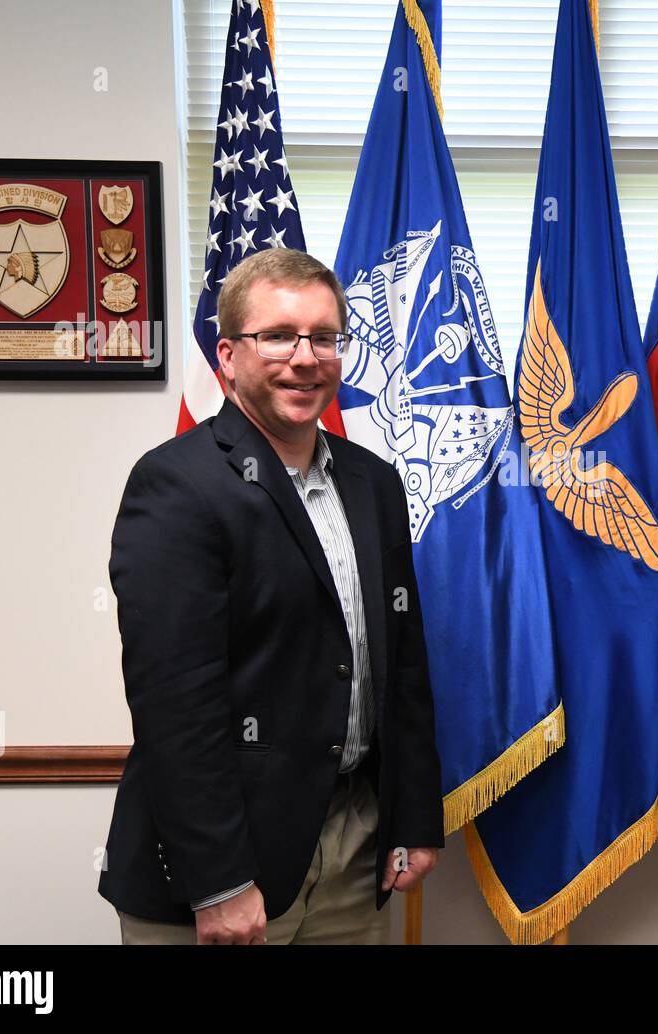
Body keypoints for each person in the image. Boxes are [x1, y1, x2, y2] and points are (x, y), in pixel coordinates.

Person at [99, 248, 443, 944]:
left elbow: (402, 666)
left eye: (324, 337)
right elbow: (175, 705)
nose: (306, 357)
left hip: (355, 850)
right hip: (226, 866)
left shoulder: (374, 483)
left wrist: (413, 820)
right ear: (227, 355)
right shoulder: (177, 486)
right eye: (279, 336)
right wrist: (219, 882)